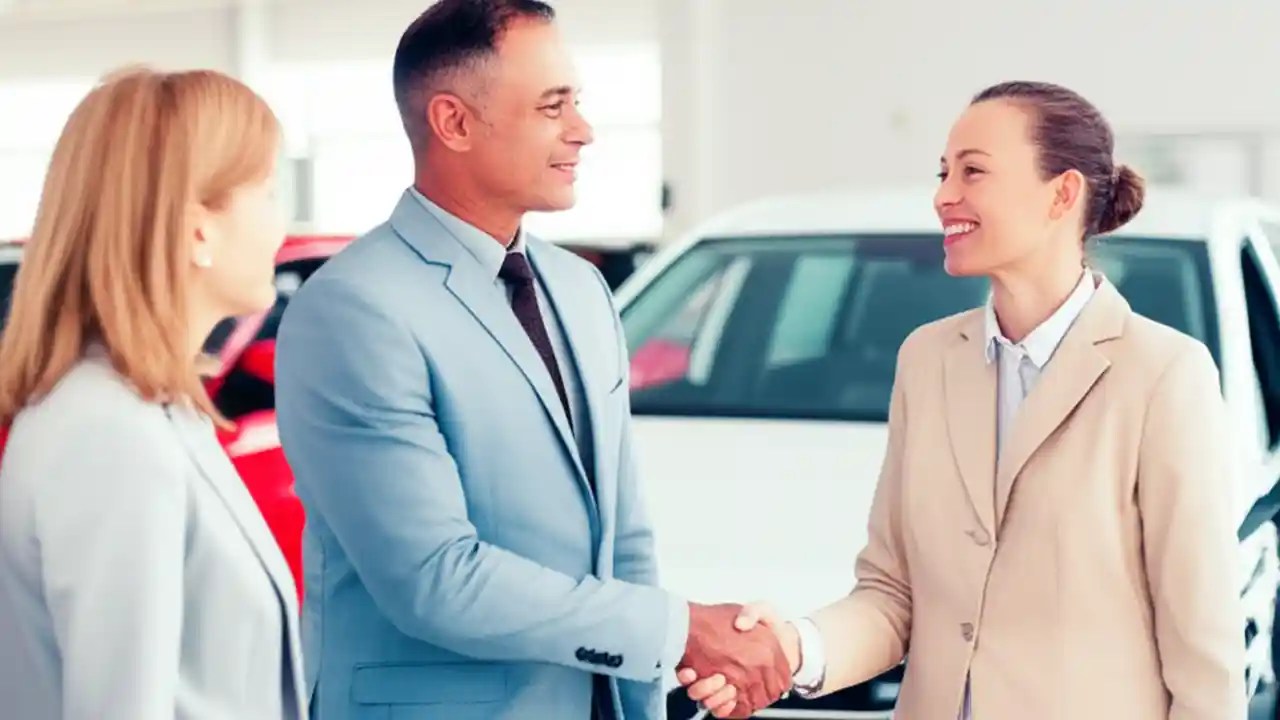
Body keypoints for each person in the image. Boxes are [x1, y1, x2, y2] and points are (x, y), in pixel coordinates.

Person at [272, 1, 789, 719]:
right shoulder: (353, 309)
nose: (583, 130)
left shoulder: (579, 289)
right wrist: (677, 632)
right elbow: (434, 579)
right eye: (553, 106)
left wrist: (659, 672)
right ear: (453, 122)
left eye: (577, 102)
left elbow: (624, 534)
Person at [682, 81, 1248, 719]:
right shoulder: (926, 361)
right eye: (944, 172)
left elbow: (1204, 652)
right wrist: (792, 647)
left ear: (1062, 194)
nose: (944, 194)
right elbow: (892, 594)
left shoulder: (1162, 373)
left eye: (973, 171)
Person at [0, 67, 305, 719]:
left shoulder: (150, 410)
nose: (282, 225)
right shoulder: (108, 432)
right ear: (198, 229)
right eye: (269, 191)